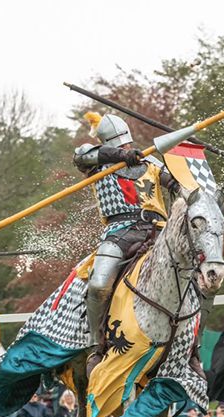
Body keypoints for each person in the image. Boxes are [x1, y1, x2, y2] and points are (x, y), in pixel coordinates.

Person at [74, 112, 180, 374]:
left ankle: (190, 347)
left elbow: (175, 184)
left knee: (193, 272)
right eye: (119, 146)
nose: (126, 148)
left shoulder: (151, 162)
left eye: (126, 146)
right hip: (120, 232)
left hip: (158, 232)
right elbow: (83, 155)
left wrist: (182, 187)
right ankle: (96, 345)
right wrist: (120, 157)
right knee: (99, 284)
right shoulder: (96, 163)